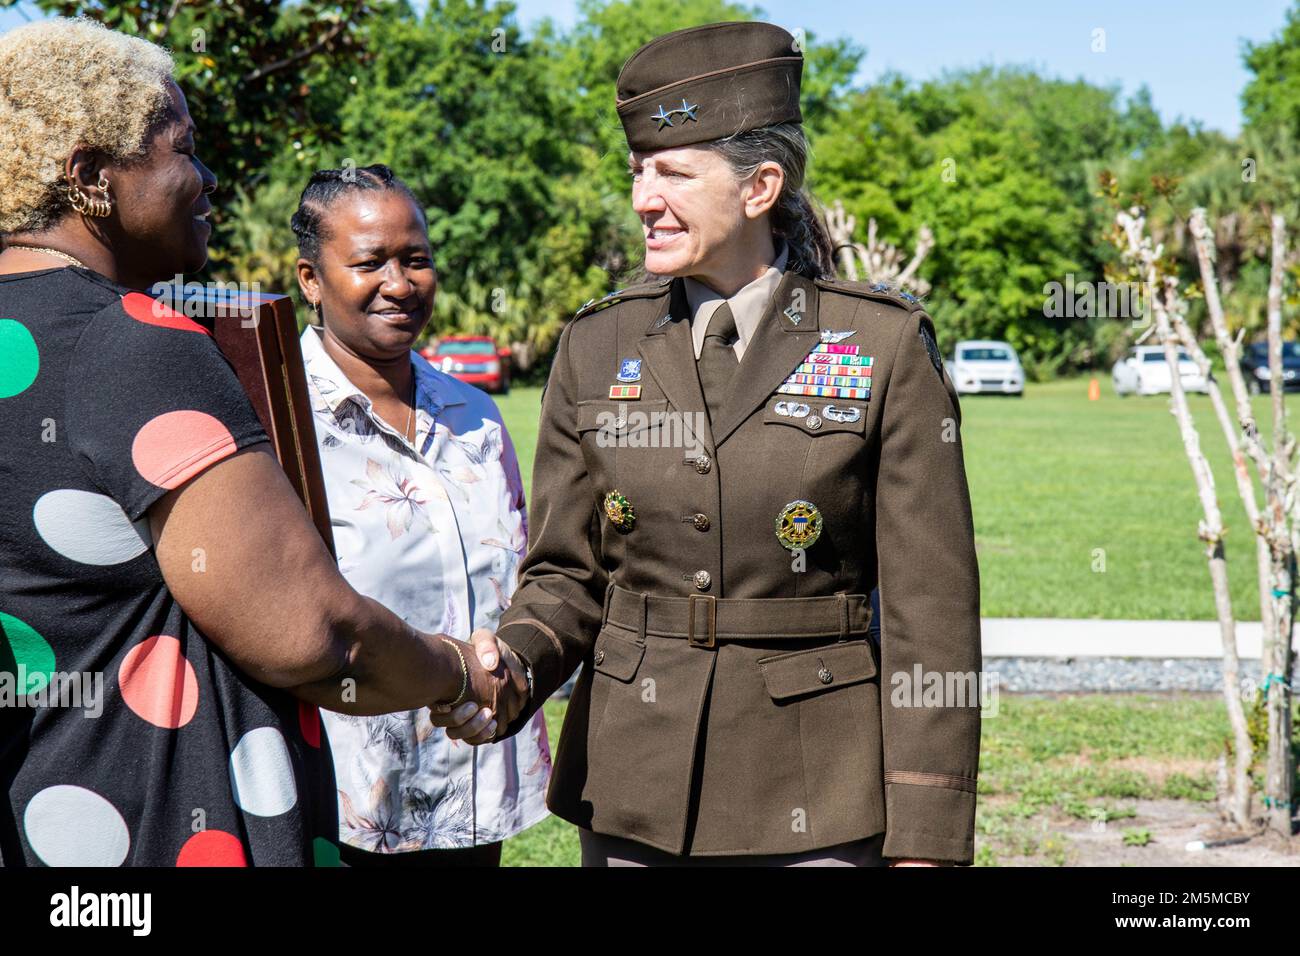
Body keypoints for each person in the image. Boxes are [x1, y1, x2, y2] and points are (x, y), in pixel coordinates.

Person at [464, 21, 983, 866]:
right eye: (637, 172)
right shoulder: (597, 345)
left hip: (820, 795)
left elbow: (934, 616)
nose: (642, 198)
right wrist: (514, 662)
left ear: (760, 186)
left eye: (672, 172)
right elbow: (566, 572)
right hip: (633, 793)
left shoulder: (878, 344)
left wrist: (925, 838)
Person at [0, 18, 514, 867]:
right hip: (166, 825)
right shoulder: (135, 343)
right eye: (183, 148)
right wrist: (457, 671)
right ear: (91, 177)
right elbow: (315, 635)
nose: (207, 178)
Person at [291, 165, 549, 866]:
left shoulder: (477, 418)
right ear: (311, 280)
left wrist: (505, 672)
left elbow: (521, 571)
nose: (400, 284)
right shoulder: (279, 423)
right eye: (369, 262)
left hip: (473, 780)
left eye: (417, 260)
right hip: (347, 803)